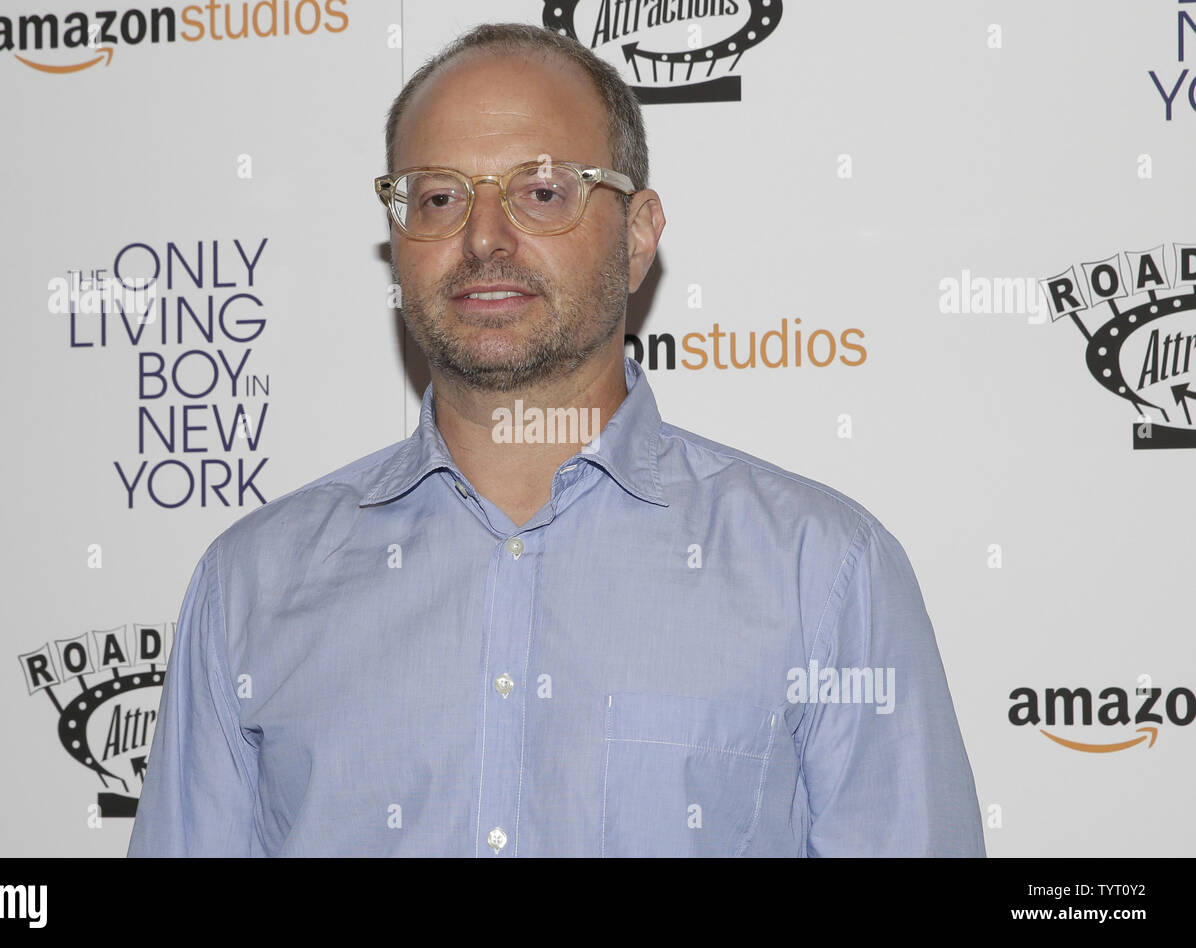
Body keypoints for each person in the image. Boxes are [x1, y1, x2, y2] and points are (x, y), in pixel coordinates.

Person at [127, 22, 985, 857]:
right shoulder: (253, 586)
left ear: (639, 234)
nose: (484, 238)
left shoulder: (821, 574)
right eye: (437, 197)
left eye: (542, 192)